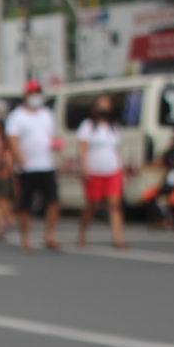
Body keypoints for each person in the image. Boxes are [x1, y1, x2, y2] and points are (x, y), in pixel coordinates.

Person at [5, 80, 62, 251]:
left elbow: (51, 136)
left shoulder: (47, 114)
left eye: (38, 93)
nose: (35, 96)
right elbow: (12, 140)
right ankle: (25, 238)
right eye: (32, 93)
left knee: (53, 202)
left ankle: (49, 235)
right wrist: (20, 159)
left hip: (47, 165)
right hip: (27, 168)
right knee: (26, 205)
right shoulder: (17, 116)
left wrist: (56, 145)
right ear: (25, 96)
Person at [75, 96, 128, 249]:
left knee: (114, 204)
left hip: (112, 171)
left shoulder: (114, 127)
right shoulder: (88, 126)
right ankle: (82, 232)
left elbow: (116, 150)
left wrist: (121, 169)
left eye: (106, 105)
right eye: (101, 105)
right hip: (94, 171)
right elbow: (82, 148)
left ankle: (117, 238)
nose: (104, 108)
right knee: (93, 206)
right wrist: (84, 167)